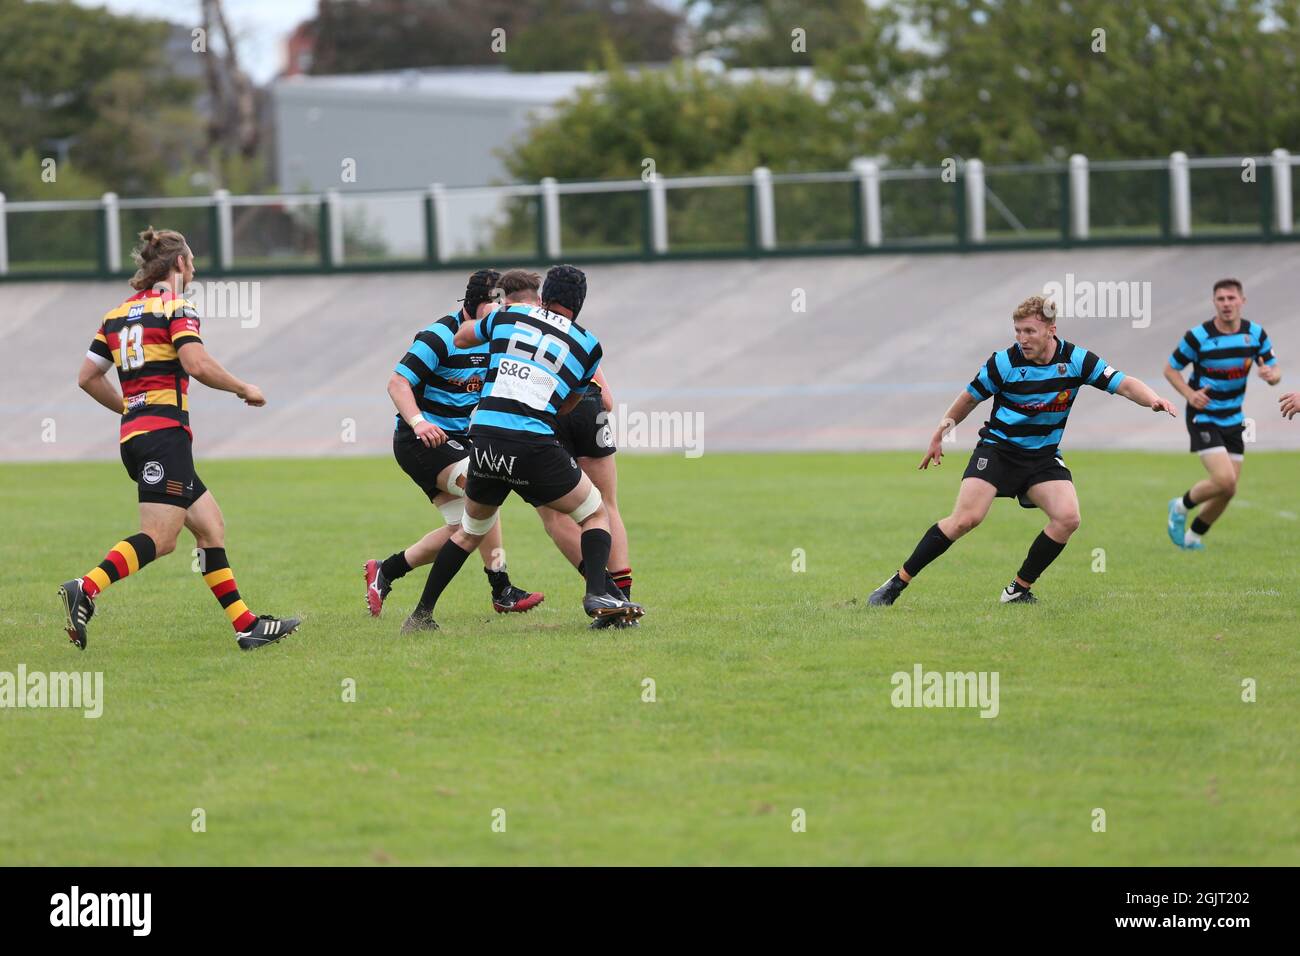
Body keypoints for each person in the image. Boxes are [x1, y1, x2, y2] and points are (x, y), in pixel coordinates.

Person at [60, 227, 299, 651]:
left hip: (137, 439)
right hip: (164, 438)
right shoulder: (176, 307)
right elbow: (196, 363)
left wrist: (129, 408)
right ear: (179, 264)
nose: (194, 270)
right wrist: (244, 388)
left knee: (211, 527)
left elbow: (87, 377)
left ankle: (246, 626)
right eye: (192, 262)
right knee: (161, 538)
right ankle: (86, 586)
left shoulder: (116, 315)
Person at [868, 294, 1176, 607]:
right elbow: (969, 398)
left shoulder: (1077, 360)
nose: (1022, 338)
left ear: (1050, 330)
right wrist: (940, 433)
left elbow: (1123, 383)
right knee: (965, 519)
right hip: (998, 451)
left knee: (1068, 518)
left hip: (1042, 457)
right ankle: (896, 584)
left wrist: (1153, 399)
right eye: (1017, 331)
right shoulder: (1004, 363)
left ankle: (1017, 590)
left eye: (1029, 331)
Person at [401, 264, 643, 632]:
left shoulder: (510, 315)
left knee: (469, 531)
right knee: (595, 512)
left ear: (545, 298)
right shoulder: (588, 344)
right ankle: (598, 594)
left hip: (483, 439)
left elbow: (464, 337)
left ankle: (420, 615)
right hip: (532, 444)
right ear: (579, 305)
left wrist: (492, 326)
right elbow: (569, 404)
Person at [364, 269, 542, 625]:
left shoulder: (495, 337)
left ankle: (386, 570)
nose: (502, 315)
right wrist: (419, 422)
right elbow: (397, 383)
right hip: (422, 442)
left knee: (463, 527)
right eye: (496, 307)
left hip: (458, 442)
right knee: (485, 495)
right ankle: (501, 589)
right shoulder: (439, 336)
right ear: (476, 306)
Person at [1164, 279, 1280, 550]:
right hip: (1203, 415)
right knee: (1224, 479)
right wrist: (1189, 394)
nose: (1226, 304)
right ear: (1214, 302)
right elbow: (1170, 370)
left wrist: (1271, 375)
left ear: (1242, 301)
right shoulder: (1199, 336)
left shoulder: (1256, 334)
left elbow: (1275, 372)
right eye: (1221, 299)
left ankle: (1192, 538)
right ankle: (1180, 507)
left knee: (1228, 490)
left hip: (1233, 417)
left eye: (1231, 298)